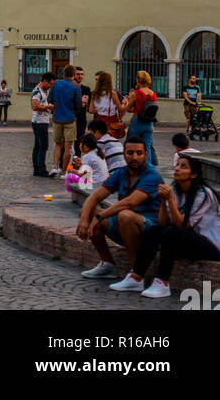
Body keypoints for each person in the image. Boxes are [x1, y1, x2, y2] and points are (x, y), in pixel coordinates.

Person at [110, 154, 220, 298]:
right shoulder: (176, 190)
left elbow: (182, 225)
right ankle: (136, 277)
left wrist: (169, 200)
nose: (177, 169)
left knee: (173, 232)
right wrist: (163, 202)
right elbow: (162, 222)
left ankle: (162, 283)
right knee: (154, 230)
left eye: (183, 166)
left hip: (210, 245)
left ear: (193, 174)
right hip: (186, 240)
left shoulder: (204, 194)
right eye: (177, 165)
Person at [77, 137, 163, 279]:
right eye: (130, 153)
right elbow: (94, 197)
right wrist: (84, 220)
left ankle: (136, 273)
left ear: (146, 155)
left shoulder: (152, 176)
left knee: (125, 215)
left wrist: (100, 217)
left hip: (150, 229)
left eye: (139, 153)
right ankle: (107, 264)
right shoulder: (121, 173)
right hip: (124, 226)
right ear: (124, 154)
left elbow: (130, 202)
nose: (135, 157)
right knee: (88, 211)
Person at [48, 64, 80, 177]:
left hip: (57, 118)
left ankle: (55, 167)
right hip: (70, 119)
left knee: (58, 144)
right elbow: (78, 105)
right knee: (68, 148)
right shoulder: (75, 87)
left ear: (63, 73)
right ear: (74, 74)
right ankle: (64, 171)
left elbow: (49, 99)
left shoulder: (56, 85)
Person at [124, 70, 159, 167]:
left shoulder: (136, 93)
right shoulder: (153, 94)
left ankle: (131, 165)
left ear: (138, 80)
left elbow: (128, 109)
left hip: (137, 122)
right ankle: (148, 167)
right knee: (147, 147)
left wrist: (131, 105)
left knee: (131, 144)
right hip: (149, 123)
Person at [89, 70, 125, 140]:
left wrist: (100, 109)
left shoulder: (94, 93)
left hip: (98, 120)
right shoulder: (112, 93)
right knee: (110, 143)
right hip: (111, 121)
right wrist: (125, 104)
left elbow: (91, 110)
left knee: (99, 142)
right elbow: (121, 109)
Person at [30, 72, 53, 177]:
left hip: (41, 121)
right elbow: (35, 106)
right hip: (39, 122)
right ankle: (41, 170)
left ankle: (37, 169)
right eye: (50, 84)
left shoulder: (42, 91)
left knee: (38, 146)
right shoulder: (37, 91)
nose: (50, 86)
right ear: (44, 81)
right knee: (43, 146)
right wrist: (48, 107)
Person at [73, 67, 90, 143]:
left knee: (79, 142)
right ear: (73, 75)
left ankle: (77, 155)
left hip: (81, 119)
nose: (80, 76)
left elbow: (84, 103)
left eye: (82, 74)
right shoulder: (69, 88)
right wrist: (81, 101)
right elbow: (81, 103)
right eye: (78, 74)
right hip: (70, 118)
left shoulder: (86, 89)